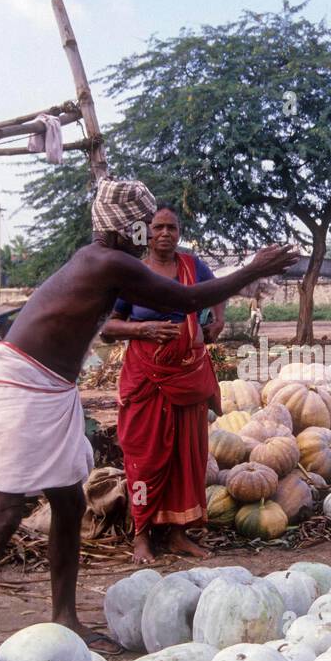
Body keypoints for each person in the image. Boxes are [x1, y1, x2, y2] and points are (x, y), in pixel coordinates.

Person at [0, 179, 296, 640]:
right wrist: (253, 268)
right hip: (18, 382)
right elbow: (187, 300)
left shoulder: (104, 260)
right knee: (5, 509)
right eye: (142, 225)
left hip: (53, 387)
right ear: (124, 227)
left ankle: (64, 618)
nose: (149, 234)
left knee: (69, 499)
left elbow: (192, 301)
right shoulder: (108, 262)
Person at [100, 206, 223, 564]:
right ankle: (141, 535)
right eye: (159, 227)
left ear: (179, 233)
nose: (165, 233)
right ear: (147, 233)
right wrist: (144, 329)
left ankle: (177, 534)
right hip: (146, 378)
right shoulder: (133, 272)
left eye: (172, 227)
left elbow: (217, 291)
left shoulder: (193, 267)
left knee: (187, 454)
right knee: (146, 455)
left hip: (188, 375)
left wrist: (218, 320)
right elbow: (108, 327)